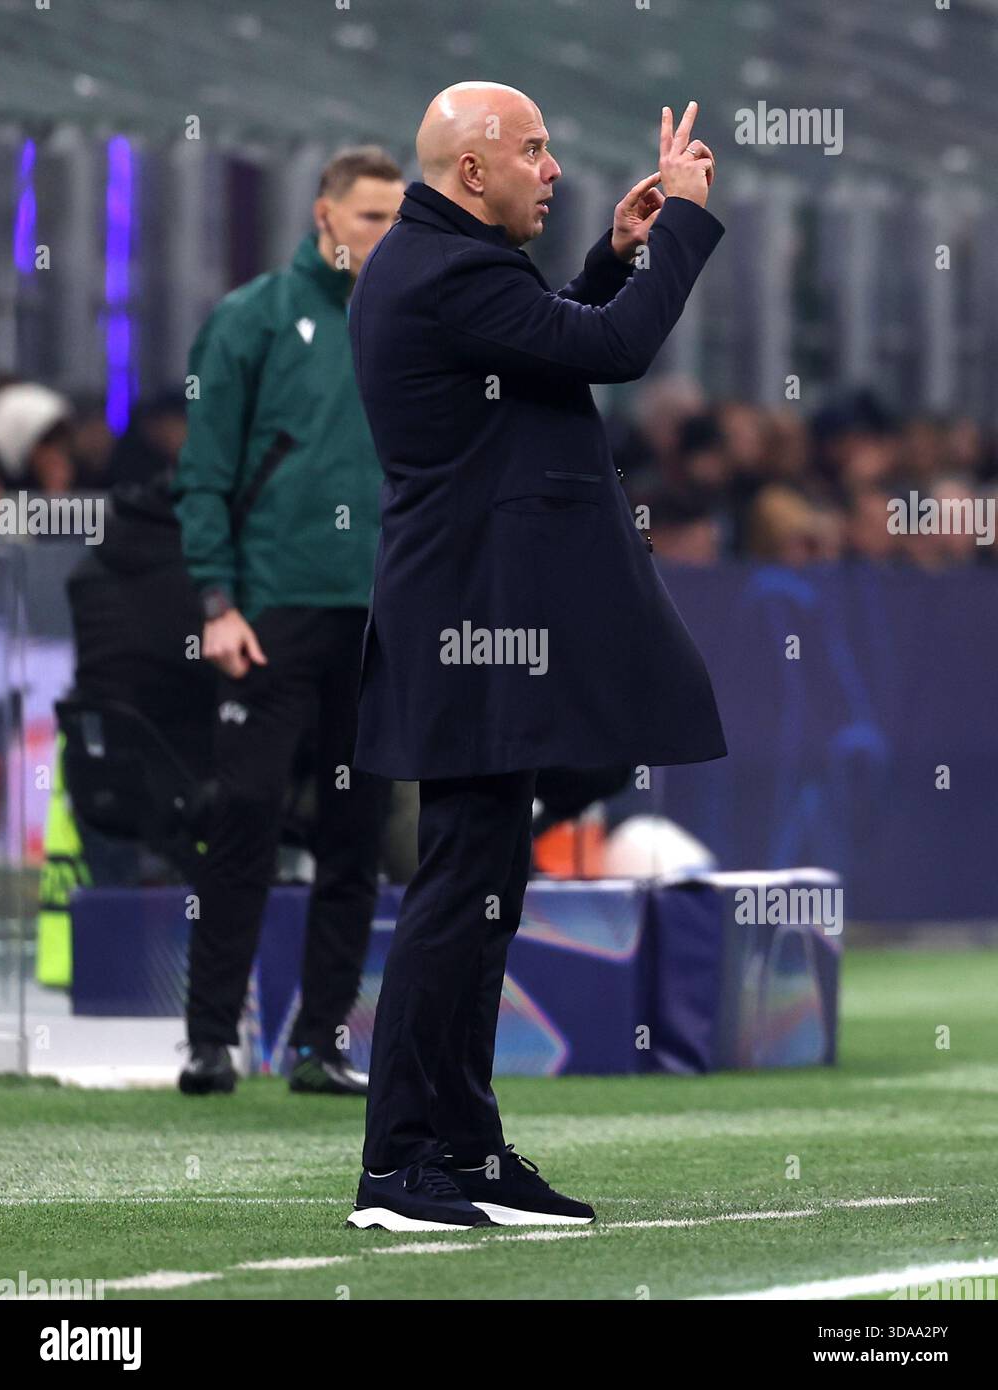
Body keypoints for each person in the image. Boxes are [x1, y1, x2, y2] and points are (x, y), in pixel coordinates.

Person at [346, 83, 726, 1231]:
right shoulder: (449, 270)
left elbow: (550, 340)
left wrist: (617, 252)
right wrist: (693, 225)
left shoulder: (444, 266)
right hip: (468, 625)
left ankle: (461, 1145)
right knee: (460, 886)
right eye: (534, 149)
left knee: (484, 890)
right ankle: (399, 1161)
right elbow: (608, 350)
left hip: (477, 623)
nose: (553, 169)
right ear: (473, 171)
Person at [172, 146, 403, 1097]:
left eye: (398, 220)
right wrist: (217, 602)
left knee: (358, 832)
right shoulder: (253, 318)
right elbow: (205, 474)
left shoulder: (408, 324)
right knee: (246, 821)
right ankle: (210, 1039)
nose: (385, 237)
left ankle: (319, 1043)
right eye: (369, 219)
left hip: (377, 617)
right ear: (323, 218)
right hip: (270, 613)